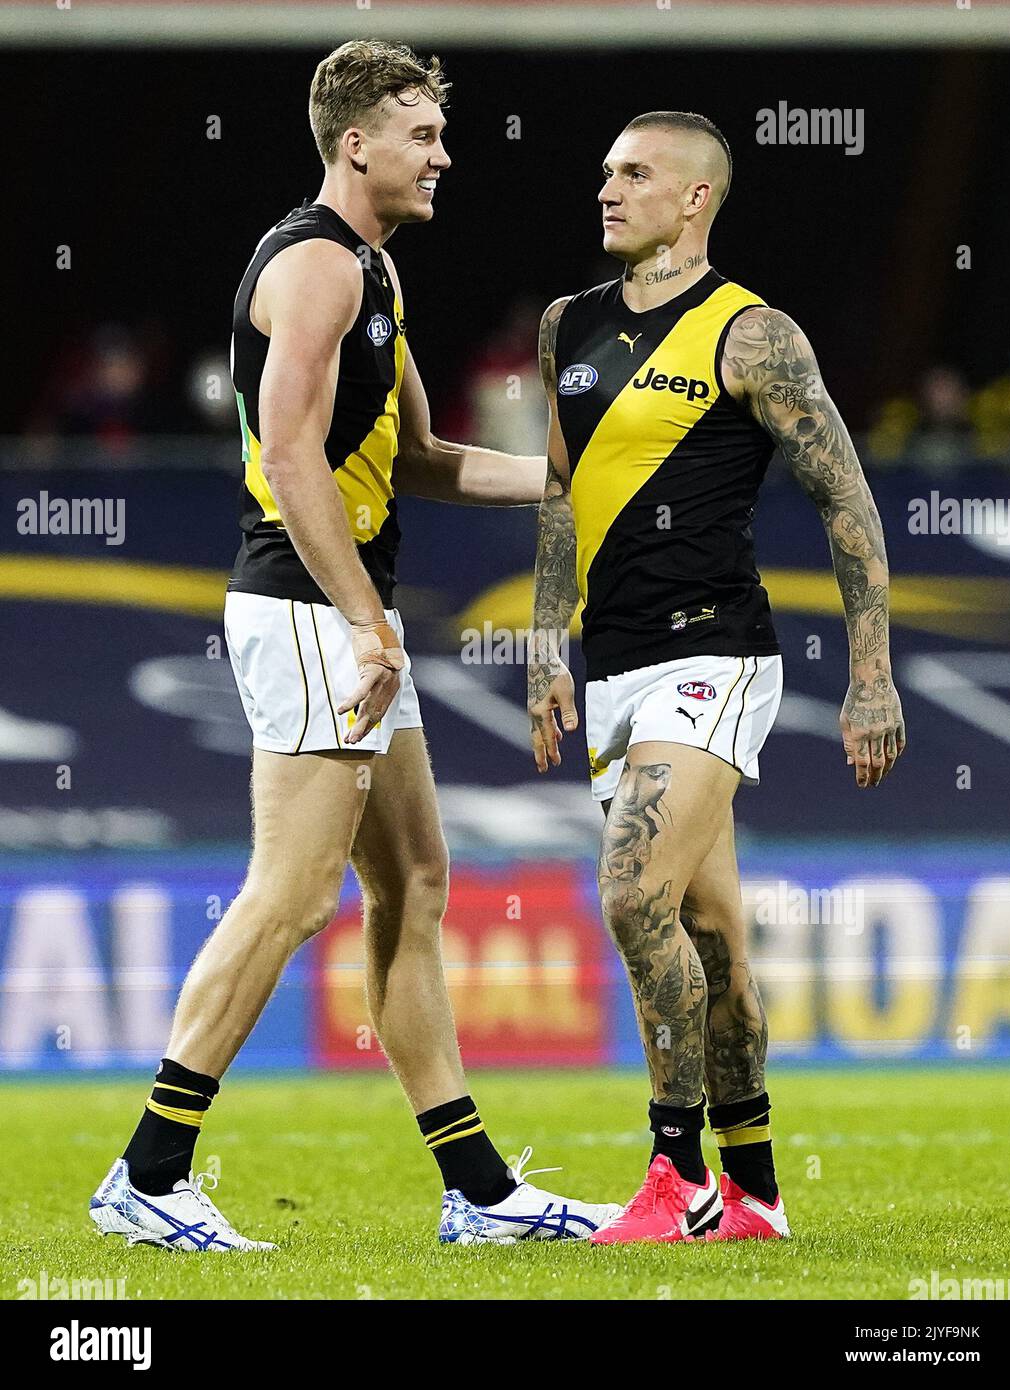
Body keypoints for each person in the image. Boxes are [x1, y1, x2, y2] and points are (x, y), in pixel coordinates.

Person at [89, 39, 619, 1252]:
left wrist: (575, 479)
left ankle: (477, 1194)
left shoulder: (371, 271)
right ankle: (150, 1169)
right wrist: (369, 624)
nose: (443, 154)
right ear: (356, 143)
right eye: (423, 134)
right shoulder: (320, 268)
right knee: (293, 892)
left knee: (413, 879)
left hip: (337, 608)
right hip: (310, 607)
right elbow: (285, 461)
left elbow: (427, 458)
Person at [528, 110, 905, 1244]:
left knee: (631, 895)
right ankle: (753, 1191)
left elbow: (846, 501)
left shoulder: (753, 335)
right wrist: (548, 638)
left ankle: (672, 1173)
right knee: (709, 939)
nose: (609, 189)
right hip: (616, 663)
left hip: (715, 652)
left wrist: (871, 674)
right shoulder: (567, 325)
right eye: (604, 171)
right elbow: (559, 490)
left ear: (696, 198)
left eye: (634, 174)